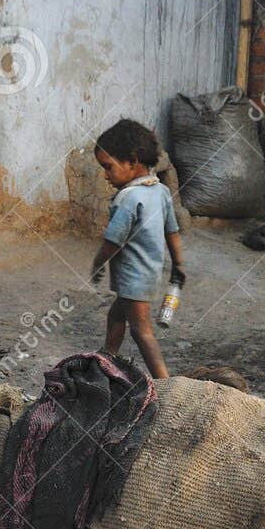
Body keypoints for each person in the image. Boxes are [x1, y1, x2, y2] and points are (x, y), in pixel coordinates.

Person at [90, 118, 185, 379]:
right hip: (150, 272)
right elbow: (172, 231)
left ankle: (165, 384)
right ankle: (107, 355)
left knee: (141, 331)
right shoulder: (161, 191)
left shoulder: (128, 199)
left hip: (133, 276)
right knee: (117, 314)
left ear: (132, 161)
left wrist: (98, 262)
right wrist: (179, 264)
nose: (105, 174)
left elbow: (113, 240)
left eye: (108, 167)